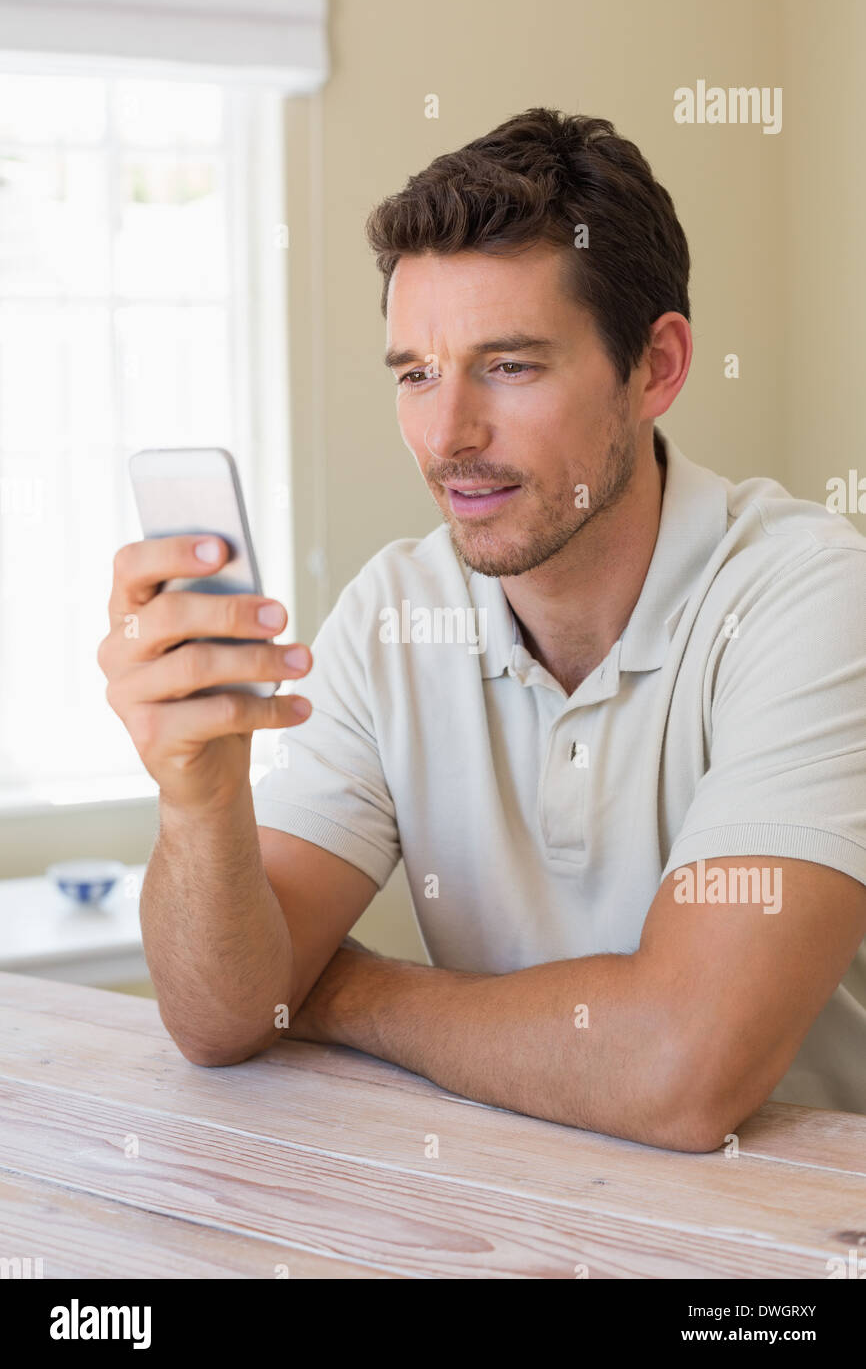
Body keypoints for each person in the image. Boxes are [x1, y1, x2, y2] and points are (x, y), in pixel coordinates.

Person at [99, 107, 866, 1152]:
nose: (447, 435)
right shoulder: (393, 614)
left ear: (655, 366)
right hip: (504, 1210)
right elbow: (221, 1015)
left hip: (789, 1232)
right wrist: (201, 796)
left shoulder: (811, 598)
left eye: (508, 365)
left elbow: (679, 1069)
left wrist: (342, 989)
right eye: (415, 372)